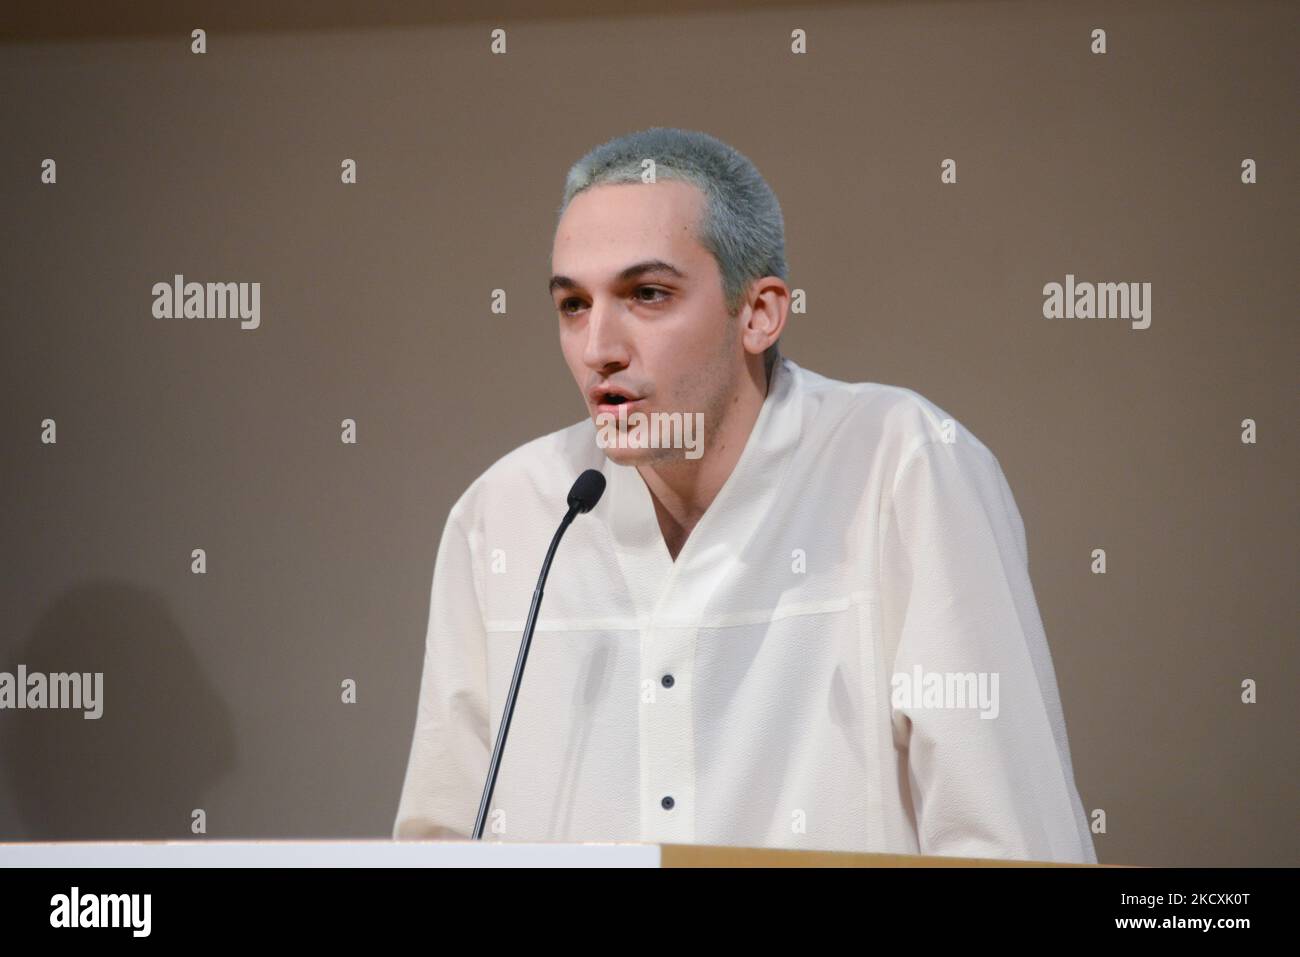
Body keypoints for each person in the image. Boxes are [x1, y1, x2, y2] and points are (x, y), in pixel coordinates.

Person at [393, 127, 1097, 862]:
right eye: (573, 304)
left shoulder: (904, 467)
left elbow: (1008, 840)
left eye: (647, 294)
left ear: (758, 313)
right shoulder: (502, 514)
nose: (599, 344)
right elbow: (439, 844)